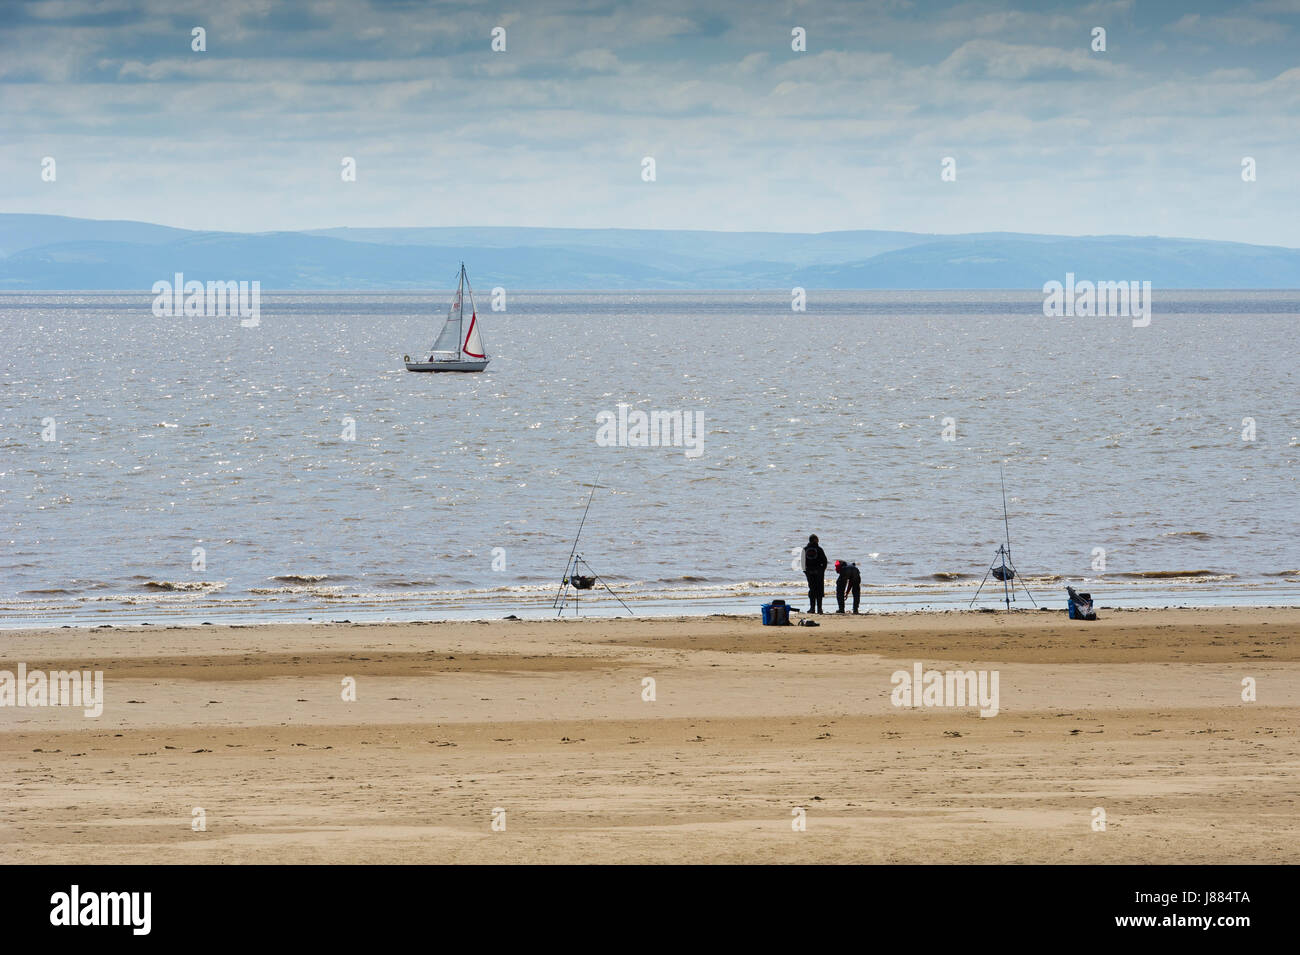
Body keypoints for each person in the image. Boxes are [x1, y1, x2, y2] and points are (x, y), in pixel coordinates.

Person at [802, 534, 828, 613]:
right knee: (819, 590)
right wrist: (822, 570)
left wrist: (806, 572)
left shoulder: (805, 549)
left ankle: (812, 608)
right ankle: (819, 609)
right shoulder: (819, 549)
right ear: (815, 540)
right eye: (817, 539)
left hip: (809, 572)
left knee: (812, 590)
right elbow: (825, 561)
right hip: (819, 572)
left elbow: (802, 563)